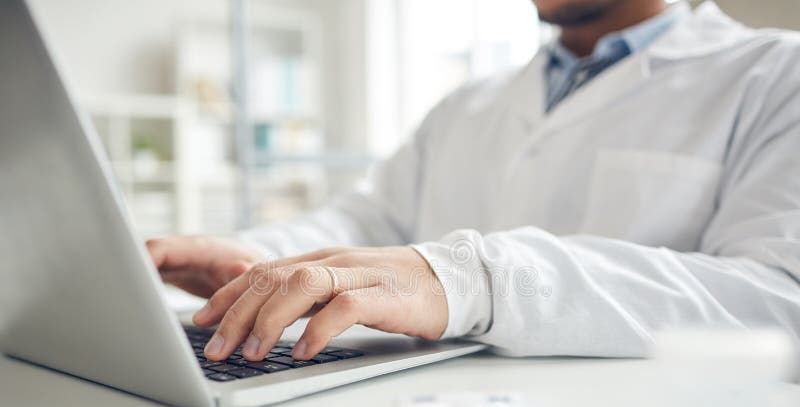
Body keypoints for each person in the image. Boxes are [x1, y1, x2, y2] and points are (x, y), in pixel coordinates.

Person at [148, 0, 800, 363]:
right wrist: (265, 263)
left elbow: (780, 302)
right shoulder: (470, 103)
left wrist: (474, 277)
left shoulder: (775, 77)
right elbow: (370, 222)